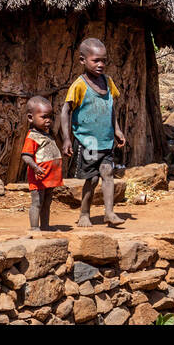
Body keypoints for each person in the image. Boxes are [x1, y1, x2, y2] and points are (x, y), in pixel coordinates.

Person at [61, 37, 125, 227]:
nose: (100, 64)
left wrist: (117, 130)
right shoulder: (79, 85)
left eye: (104, 60)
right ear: (82, 60)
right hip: (88, 141)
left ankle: (109, 213)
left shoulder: (108, 82)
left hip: (106, 140)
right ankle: (84, 213)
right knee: (92, 178)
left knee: (108, 172)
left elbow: (111, 107)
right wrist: (66, 139)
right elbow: (65, 111)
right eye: (95, 60)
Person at [20, 95, 63, 231]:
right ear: (30, 118)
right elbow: (26, 156)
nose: (48, 121)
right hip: (39, 176)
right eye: (44, 117)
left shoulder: (48, 135)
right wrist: (35, 167)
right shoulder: (32, 137)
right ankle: (34, 227)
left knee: (47, 202)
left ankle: (45, 226)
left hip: (50, 177)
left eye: (50, 117)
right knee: (37, 202)